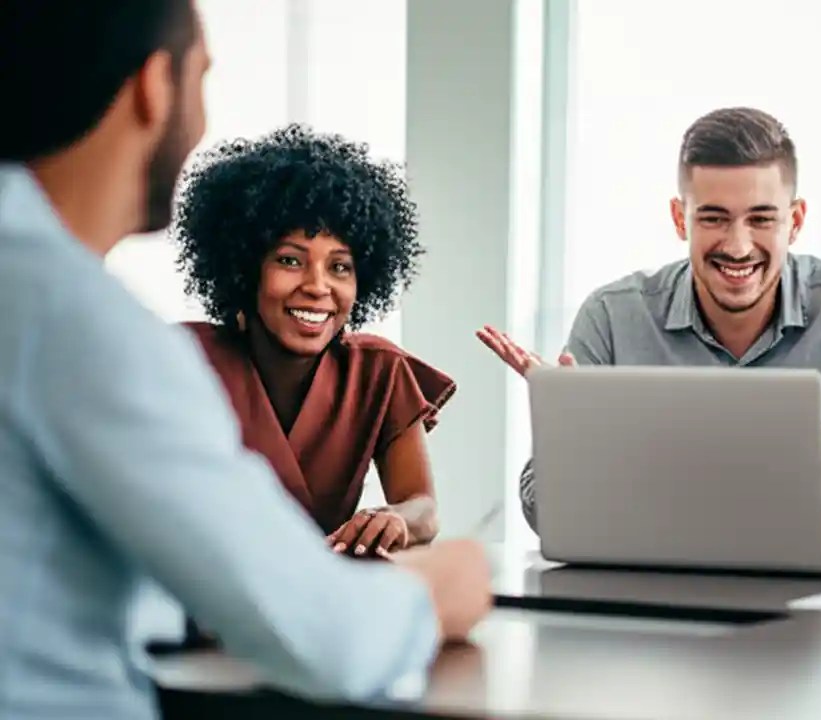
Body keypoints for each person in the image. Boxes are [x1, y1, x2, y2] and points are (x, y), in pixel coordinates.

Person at [0, 2, 490, 718]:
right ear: (154, 86)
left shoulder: (41, 299)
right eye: (203, 78)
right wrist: (447, 582)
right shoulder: (85, 327)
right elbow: (329, 639)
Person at [478, 107, 821, 551]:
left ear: (796, 221)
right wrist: (574, 439)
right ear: (678, 218)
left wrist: (653, 476)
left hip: (813, 599)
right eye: (714, 218)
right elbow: (544, 508)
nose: (738, 246)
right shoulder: (611, 316)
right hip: (645, 594)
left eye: (761, 219)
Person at [173, 125, 451, 557]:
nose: (318, 286)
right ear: (245, 269)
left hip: (320, 601)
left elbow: (423, 508)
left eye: (340, 267)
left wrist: (395, 519)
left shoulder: (379, 370)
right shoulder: (185, 361)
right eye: (290, 261)